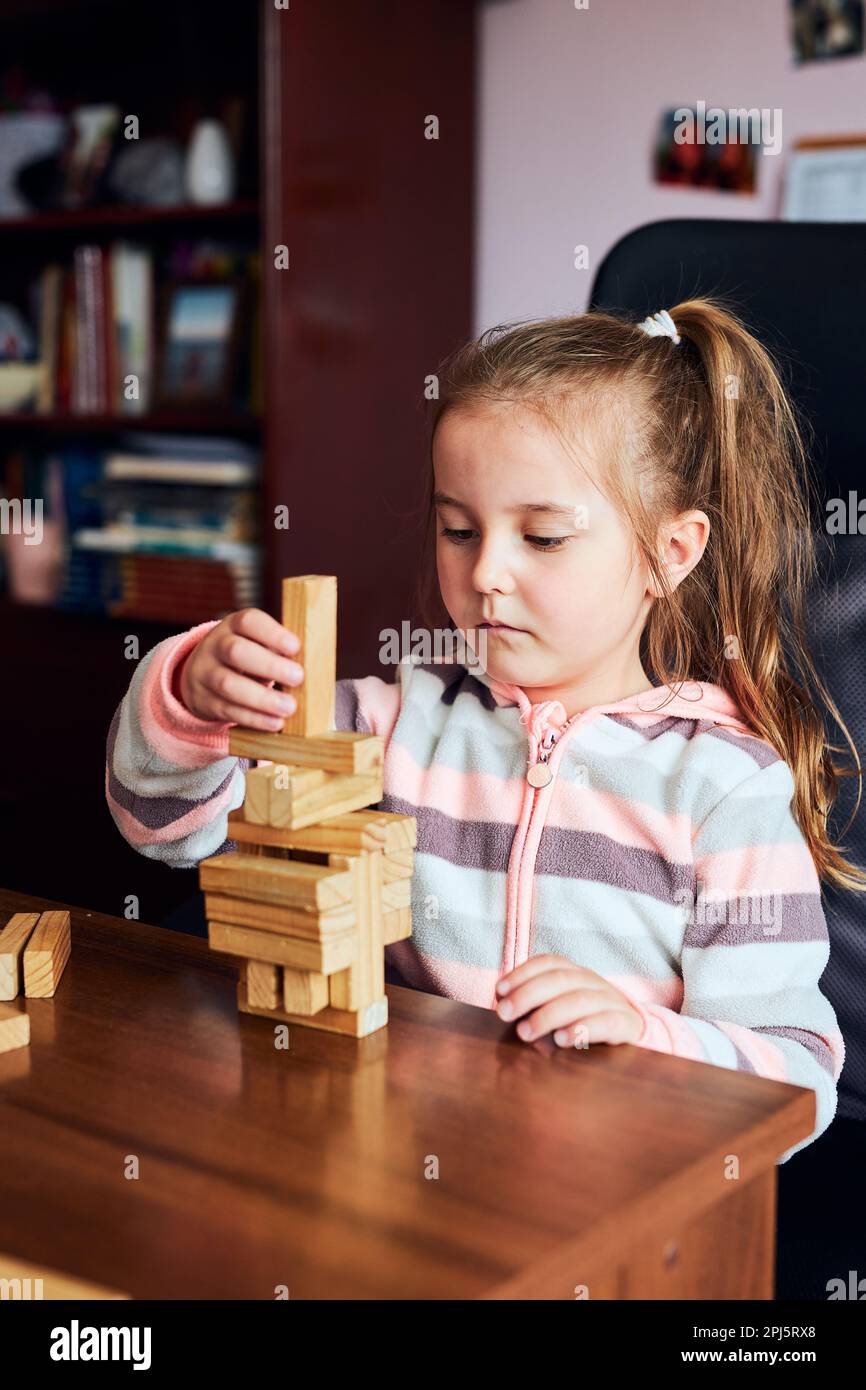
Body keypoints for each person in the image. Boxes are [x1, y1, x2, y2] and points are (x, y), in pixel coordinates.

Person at [106, 297, 866, 1171]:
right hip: (405, 1174)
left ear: (672, 552)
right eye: (457, 529)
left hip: (611, 1199)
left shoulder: (726, 788)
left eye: (542, 537)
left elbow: (801, 1080)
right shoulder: (393, 724)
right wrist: (193, 701)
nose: (484, 573)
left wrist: (649, 1038)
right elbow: (168, 831)